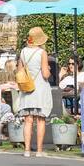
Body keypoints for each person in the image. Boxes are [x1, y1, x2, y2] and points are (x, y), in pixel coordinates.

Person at [16, 27, 54, 158]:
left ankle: (26, 150)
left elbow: (19, 71)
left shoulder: (23, 52)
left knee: (28, 120)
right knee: (40, 120)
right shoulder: (42, 53)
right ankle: (39, 150)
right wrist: (49, 69)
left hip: (27, 89)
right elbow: (45, 74)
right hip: (39, 89)